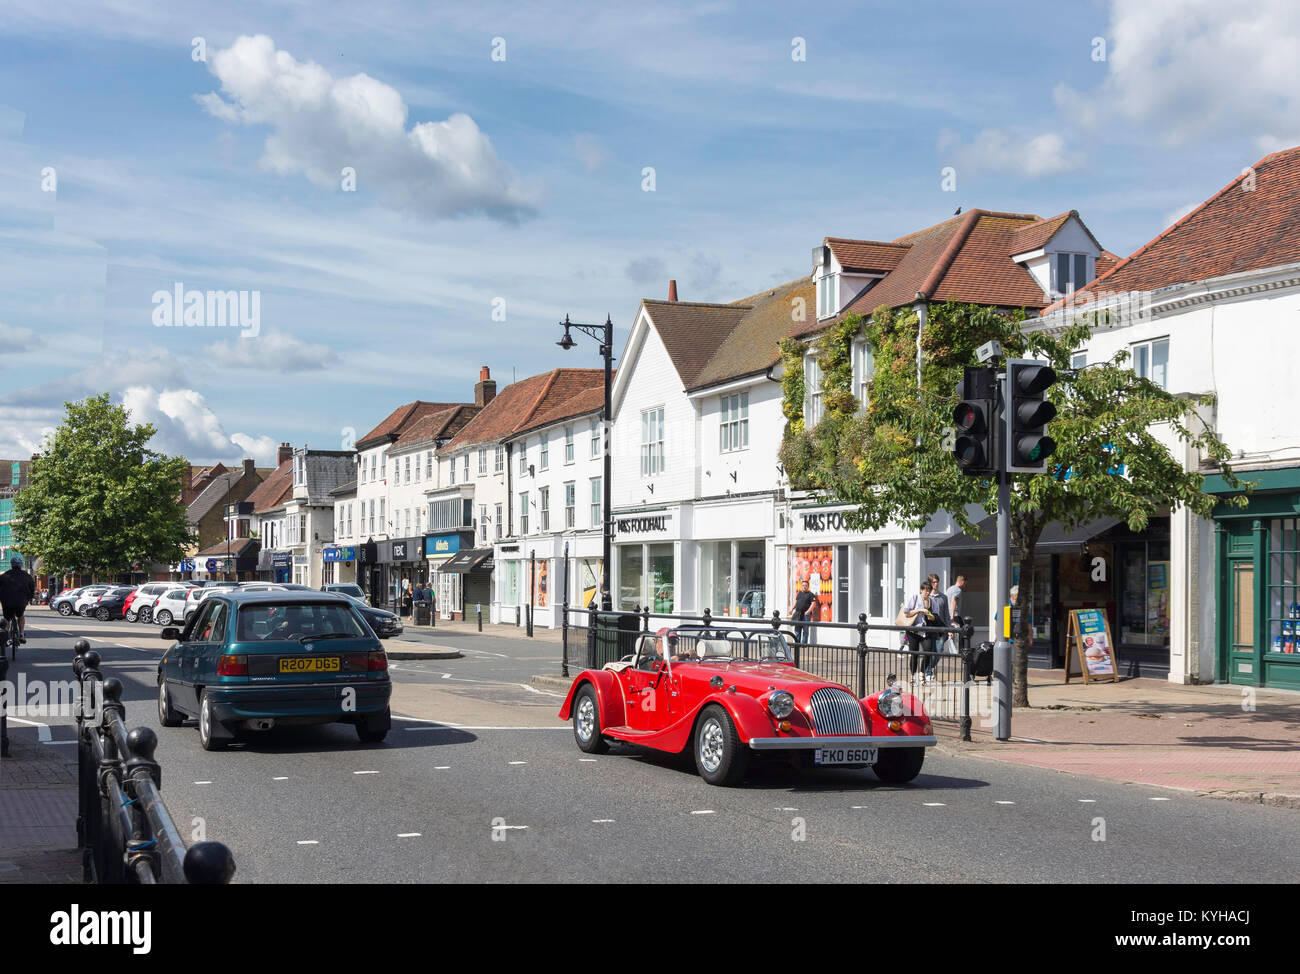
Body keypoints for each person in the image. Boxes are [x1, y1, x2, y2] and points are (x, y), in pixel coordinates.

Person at [901, 579, 936, 683]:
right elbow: (906, 613)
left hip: (925, 631)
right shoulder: (915, 598)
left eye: (929, 590)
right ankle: (912, 676)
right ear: (921, 590)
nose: (927, 593)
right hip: (913, 631)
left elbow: (935, 617)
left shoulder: (932, 601)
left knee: (928, 652)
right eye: (925, 590)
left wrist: (930, 616)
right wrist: (920, 610)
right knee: (914, 654)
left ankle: (922, 673)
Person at [0, 557, 35, 644]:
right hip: (21, 601)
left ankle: (5, 635)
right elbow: (32, 589)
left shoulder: (4, 576)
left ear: (11, 565)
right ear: (21, 565)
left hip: (7, 602)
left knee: (7, 618)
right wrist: (29, 598)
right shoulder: (27, 576)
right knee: (21, 615)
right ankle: (22, 634)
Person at [926, 573, 951, 681]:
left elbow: (946, 614)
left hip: (941, 628)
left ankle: (929, 669)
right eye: (934, 582)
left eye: (937, 582)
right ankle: (928, 672)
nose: (936, 584)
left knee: (939, 650)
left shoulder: (943, 597)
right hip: (929, 629)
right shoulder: (926, 597)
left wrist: (949, 628)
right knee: (931, 651)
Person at [789, 580, 816, 645]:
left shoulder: (811, 595)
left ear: (808, 586)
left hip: (805, 615)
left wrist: (808, 611)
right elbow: (796, 602)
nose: (804, 587)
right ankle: (797, 644)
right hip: (798, 613)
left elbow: (813, 604)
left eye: (806, 585)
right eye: (803, 585)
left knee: (805, 630)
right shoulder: (799, 593)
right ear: (801, 586)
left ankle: (804, 644)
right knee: (797, 630)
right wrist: (792, 609)